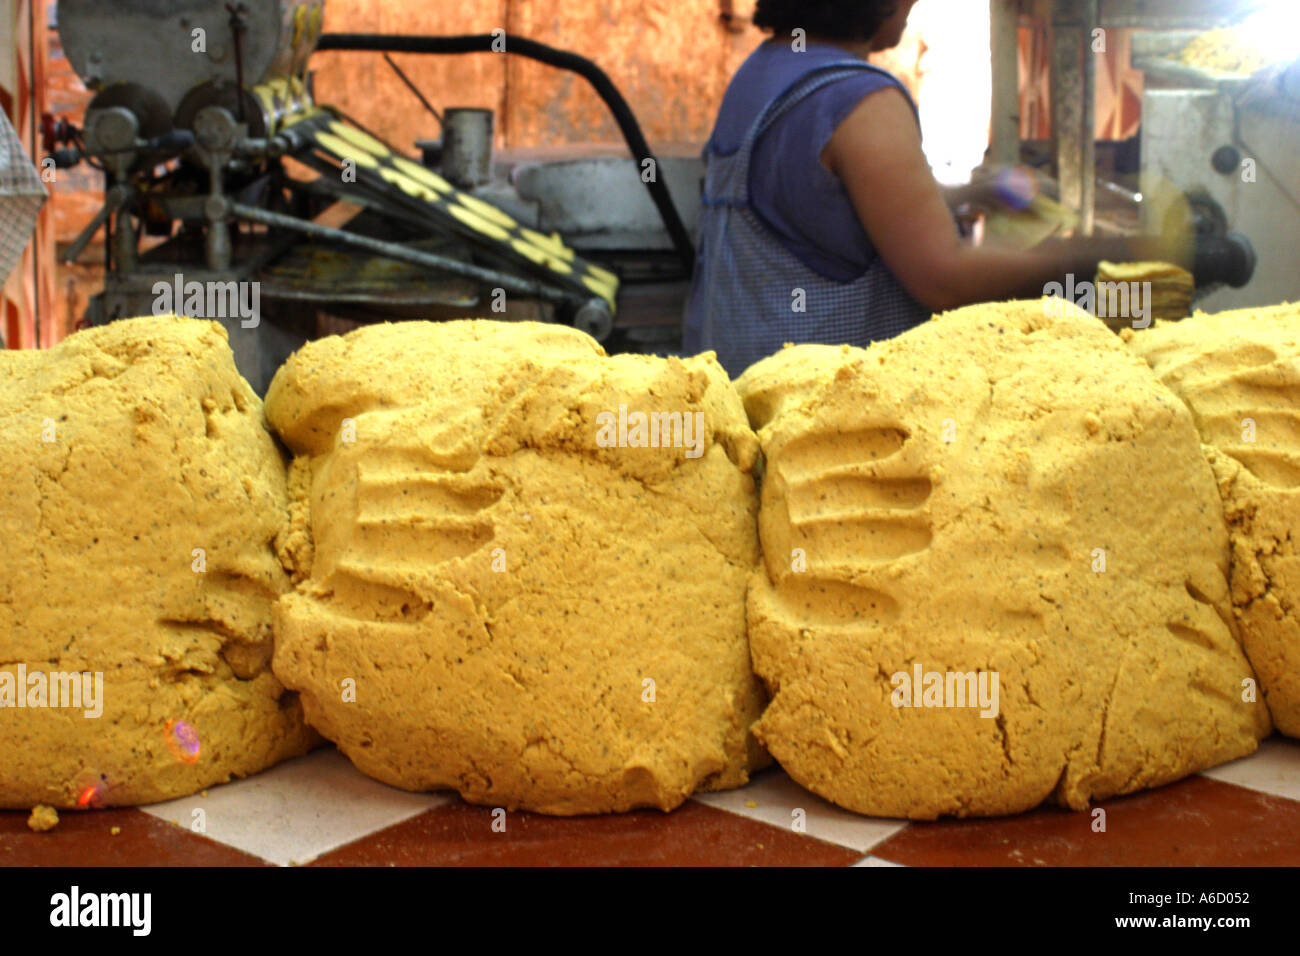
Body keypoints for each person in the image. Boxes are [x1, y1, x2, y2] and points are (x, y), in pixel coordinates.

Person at [683, 0, 1181, 377]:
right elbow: (944, 277)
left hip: (746, 387)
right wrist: (1104, 252)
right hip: (833, 410)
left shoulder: (765, 71)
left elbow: (823, 208)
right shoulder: (859, 99)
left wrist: (967, 195)